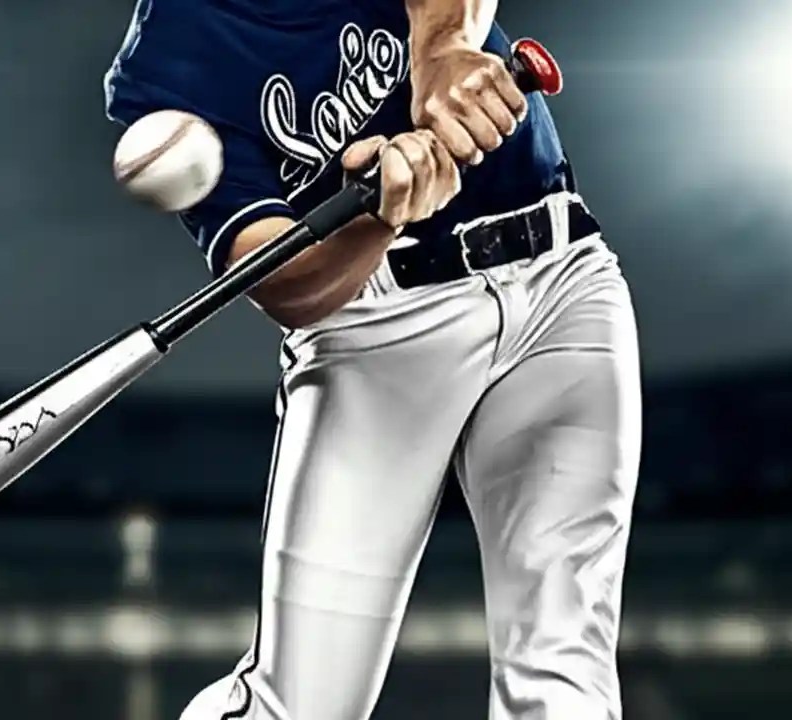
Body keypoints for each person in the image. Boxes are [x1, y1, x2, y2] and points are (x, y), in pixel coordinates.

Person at [104, 1, 641, 718]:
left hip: (562, 280)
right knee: (298, 705)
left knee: (563, 678)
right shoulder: (170, 57)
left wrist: (441, 49)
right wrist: (377, 217)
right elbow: (284, 284)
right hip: (375, 327)